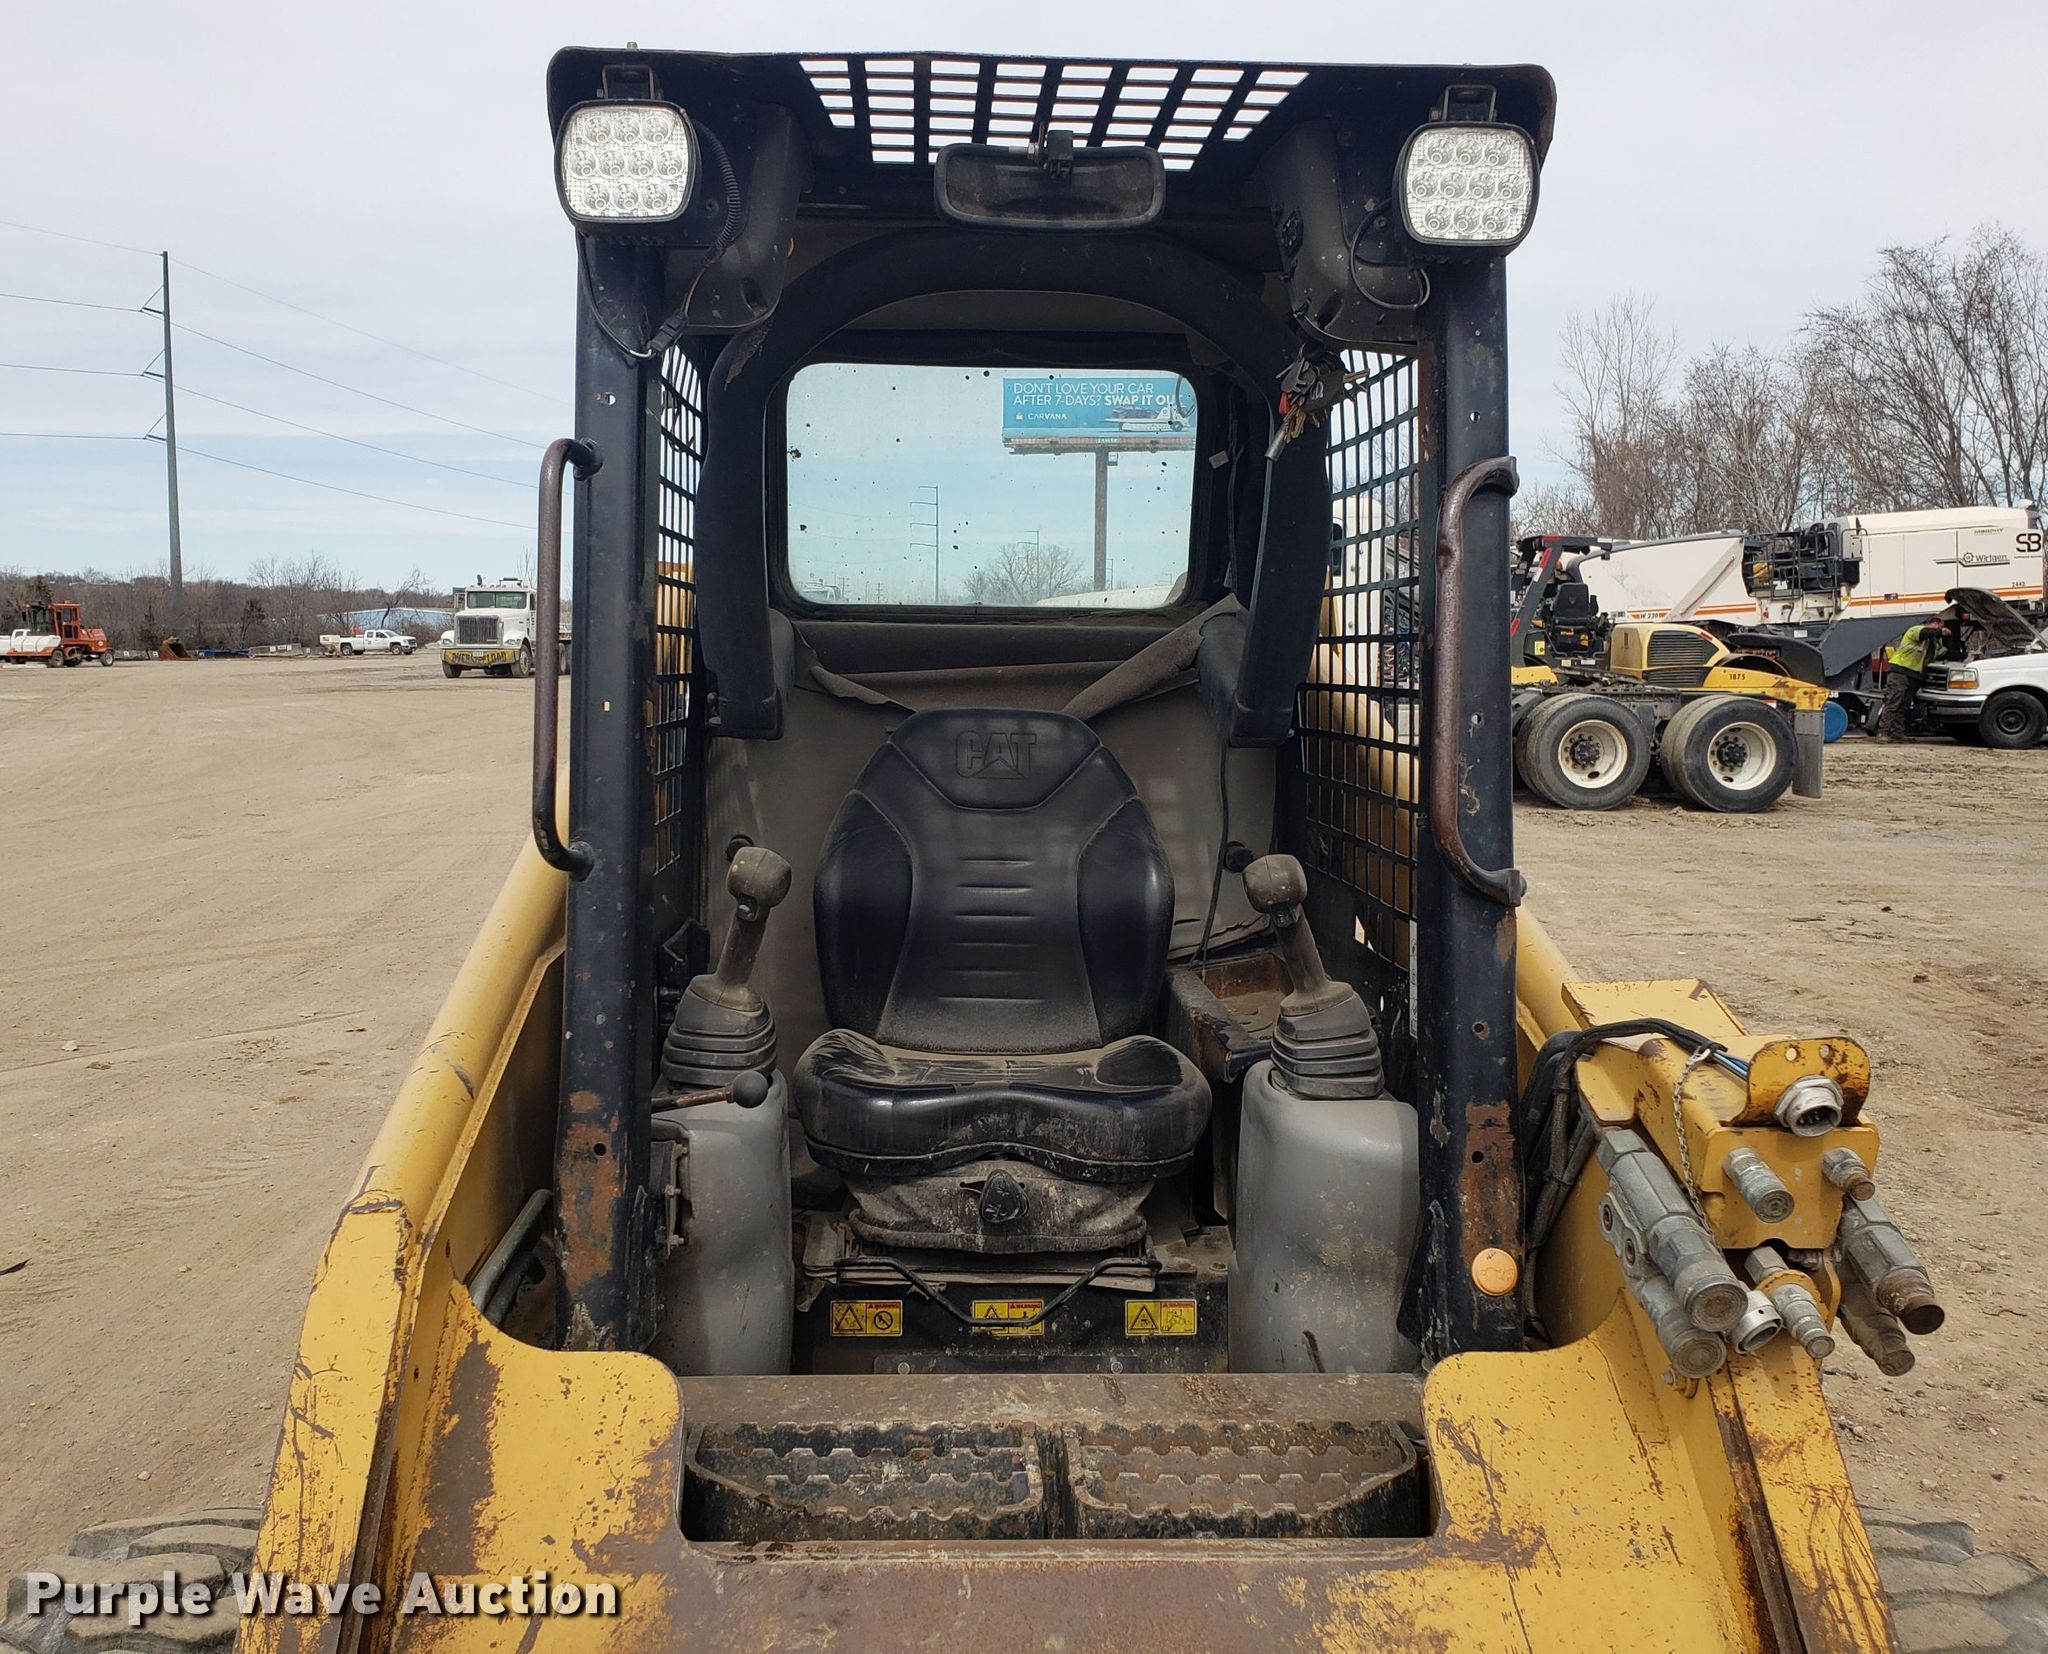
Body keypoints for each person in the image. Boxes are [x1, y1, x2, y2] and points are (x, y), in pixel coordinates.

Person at [1876, 616, 1952, 741]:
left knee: (1903, 705)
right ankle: (1883, 732)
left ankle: (1897, 732)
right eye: (1940, 626)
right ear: (1934, 623)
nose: (1940, 629)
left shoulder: (1931, 643)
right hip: (1901, 671)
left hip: (1914, 675)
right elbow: (1926, 632)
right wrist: (1941, 632)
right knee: (1894, 702)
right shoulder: (1915, 630)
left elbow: (1942, 652)